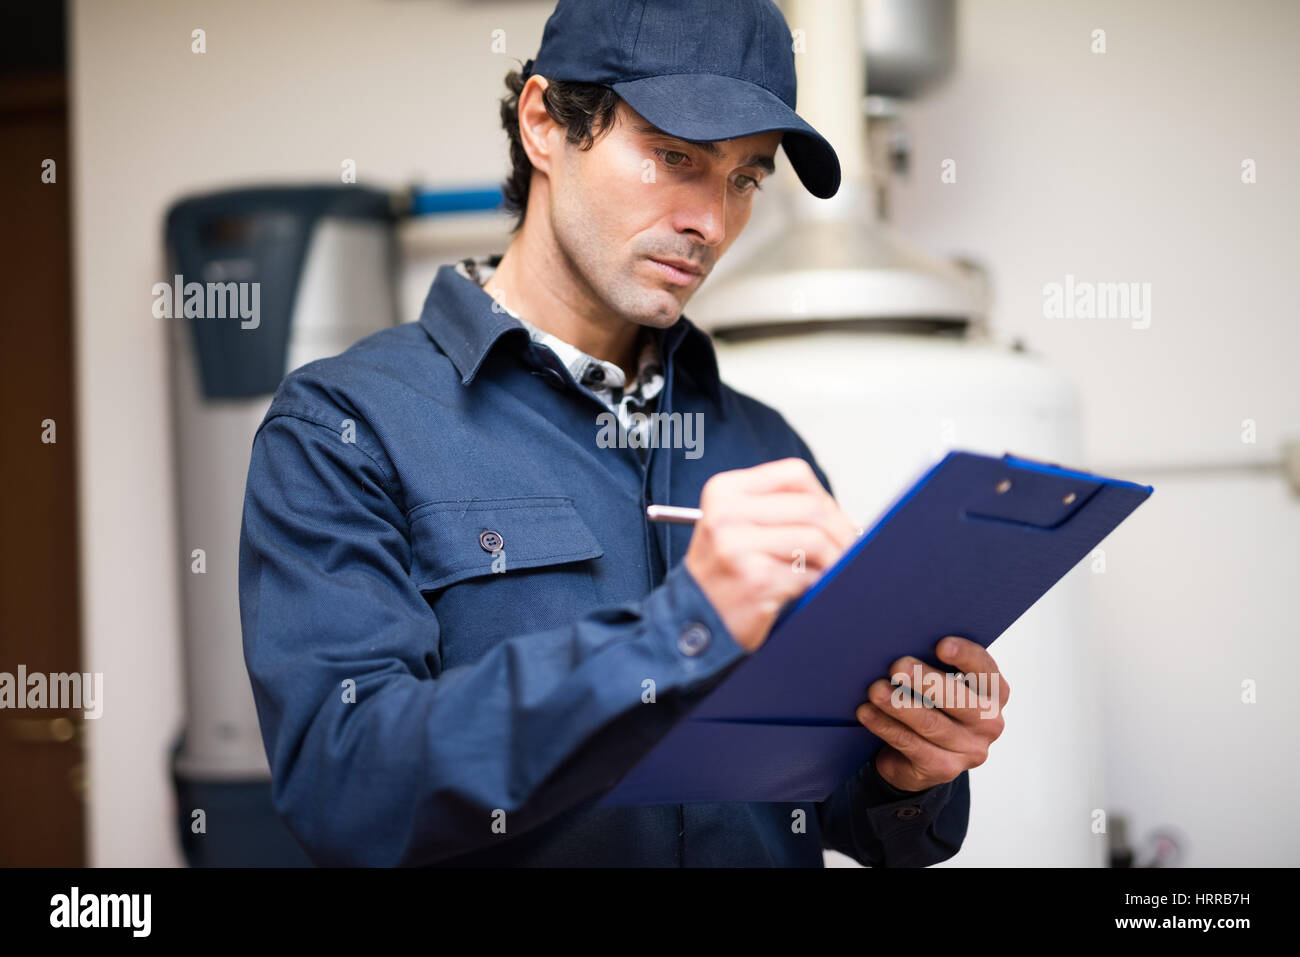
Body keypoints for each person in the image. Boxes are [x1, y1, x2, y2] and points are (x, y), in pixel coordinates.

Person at [239, 0, 1005, 867]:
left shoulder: (767, 446)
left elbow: (830, 804)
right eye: (675, 157)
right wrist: (683, 629)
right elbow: (344, 787)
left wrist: (910, 769)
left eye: (745, 178)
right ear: (545, 125)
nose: (712, 223)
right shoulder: (347, 427)